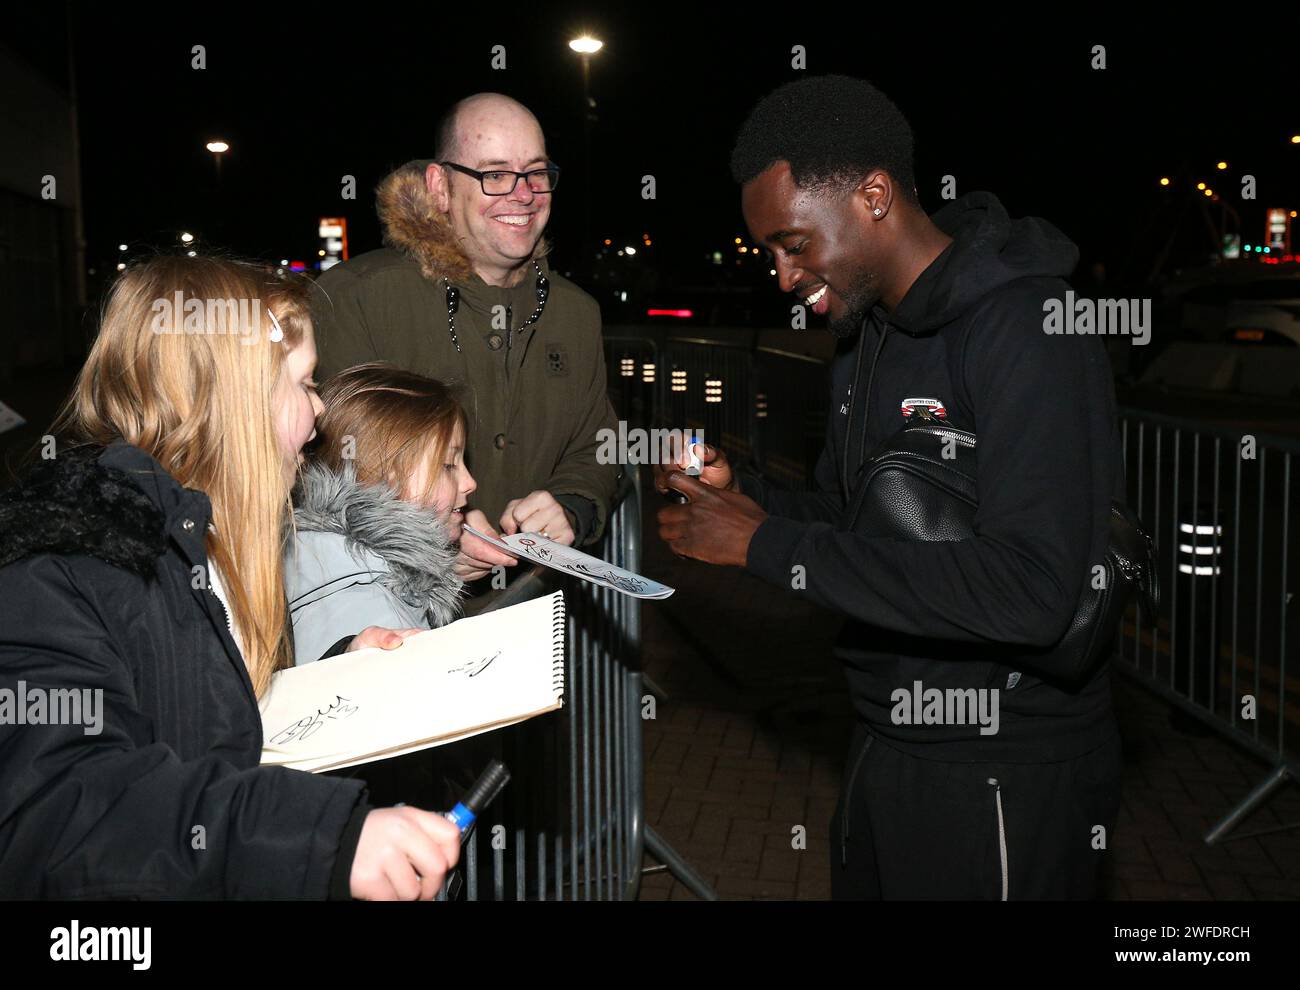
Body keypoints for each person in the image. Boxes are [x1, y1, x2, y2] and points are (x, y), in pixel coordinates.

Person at [655, 75, 1125, 900]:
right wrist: (748, 500)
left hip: (1003, 770)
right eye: (768, 251)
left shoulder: (1032, 328)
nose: (782, 275)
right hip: (883, 740)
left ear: (874, 195)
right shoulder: (865, 338)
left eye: (793, 243)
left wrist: (763, 544)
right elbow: (854, 523)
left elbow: (1033, 592)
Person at [0, 256, 460, 899]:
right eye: (302, 384)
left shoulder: (206, 542)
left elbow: (198, 723)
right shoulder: (66, 564)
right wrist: (317, 839)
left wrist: (336, 668)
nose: (320, 410)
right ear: (233, 401)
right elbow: (57, 820)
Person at [312, 92, 621, 582]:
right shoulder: (354, 299)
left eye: (536, 173)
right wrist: (431, 538)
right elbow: (322, 470)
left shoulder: (577, 314)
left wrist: (572, 505)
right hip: (392, 628)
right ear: (440, 187)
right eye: (495, 175)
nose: (522, 195)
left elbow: (599, 446)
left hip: (533, 617)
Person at [286, 363, 473, 666]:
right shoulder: (366, 602)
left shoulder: (333, 559)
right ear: (383, 478)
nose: (469, 482)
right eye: (448, 465)